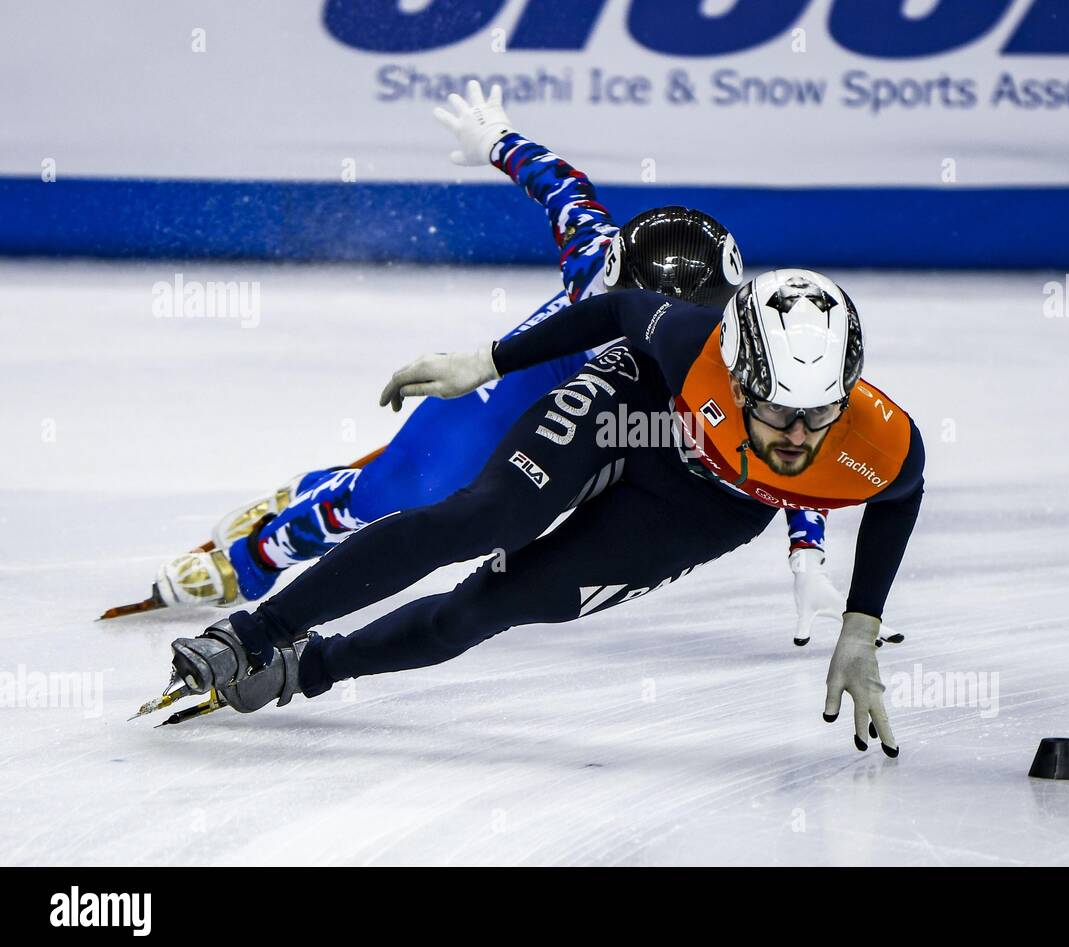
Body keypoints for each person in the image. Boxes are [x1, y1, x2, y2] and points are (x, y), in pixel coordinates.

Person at [151, 82, 850, 647]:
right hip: (518, 389)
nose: (683, 335)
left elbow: (780, 447)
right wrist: (495, 140)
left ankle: (321, 493)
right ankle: (253, 559)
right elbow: (562, 188)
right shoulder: (596, 262)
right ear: (616, 281)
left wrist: (806, 549)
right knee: (403, 495)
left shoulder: (734, 338)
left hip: (606, 423)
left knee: (472, 515)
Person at [156, 268, 924, 755]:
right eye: (772, 412)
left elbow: (900, 497)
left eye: (815, 415)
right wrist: (485, 362)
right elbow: (619, 307)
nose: (794, 438)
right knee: (485, 519)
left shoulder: (881, 441)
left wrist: (861, 625)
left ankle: (305, 669)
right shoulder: (695, 343)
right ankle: (250, 634)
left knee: (494, 606)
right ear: (735, 372)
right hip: (633, 407)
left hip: (706, 508)